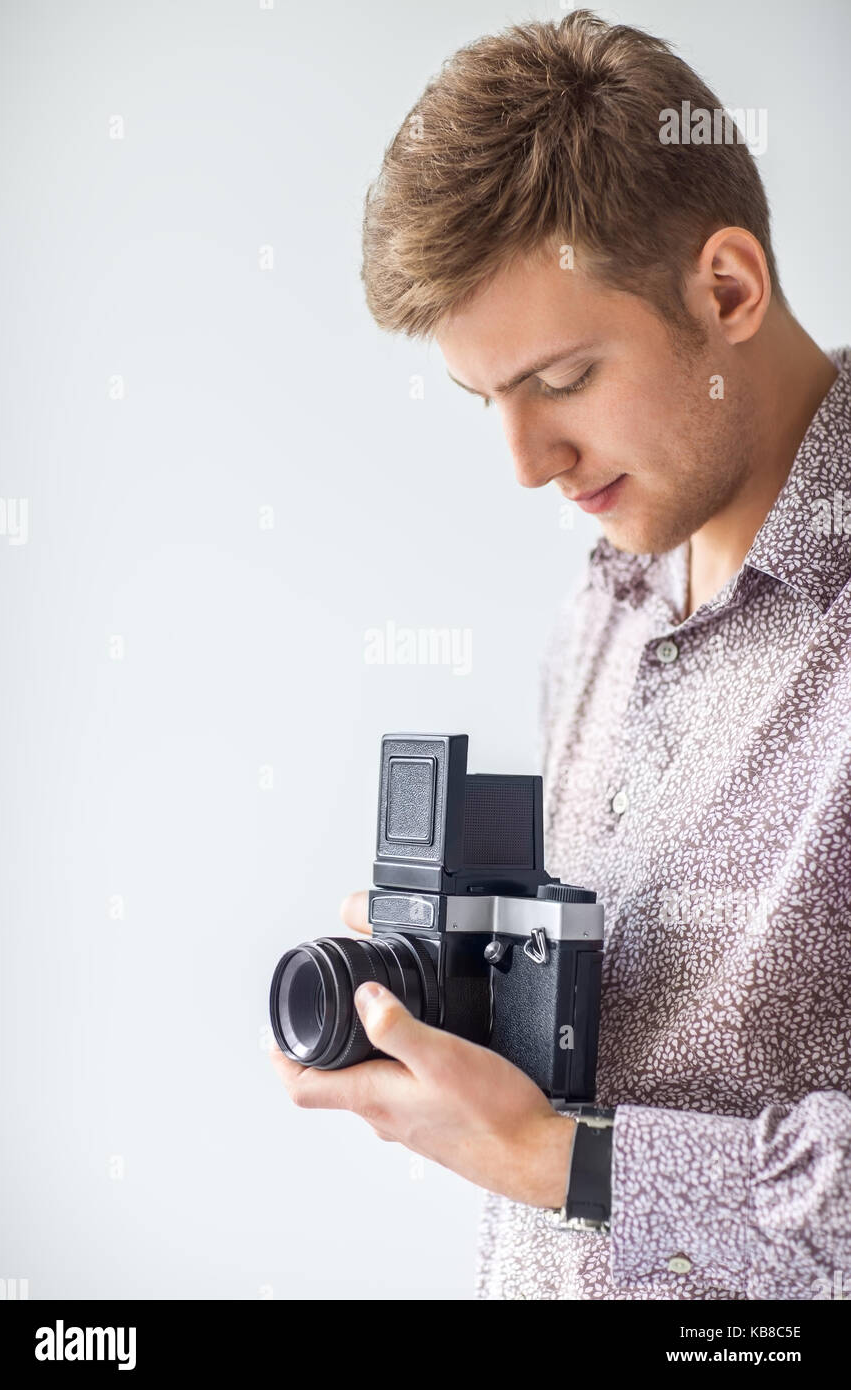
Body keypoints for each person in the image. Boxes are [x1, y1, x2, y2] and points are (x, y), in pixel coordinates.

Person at [270, 10, 851, 1300]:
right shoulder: (602, 610)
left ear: (729, 288)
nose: (527, 465)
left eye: (568, 377)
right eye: (492, 404)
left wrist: (557, 1158)